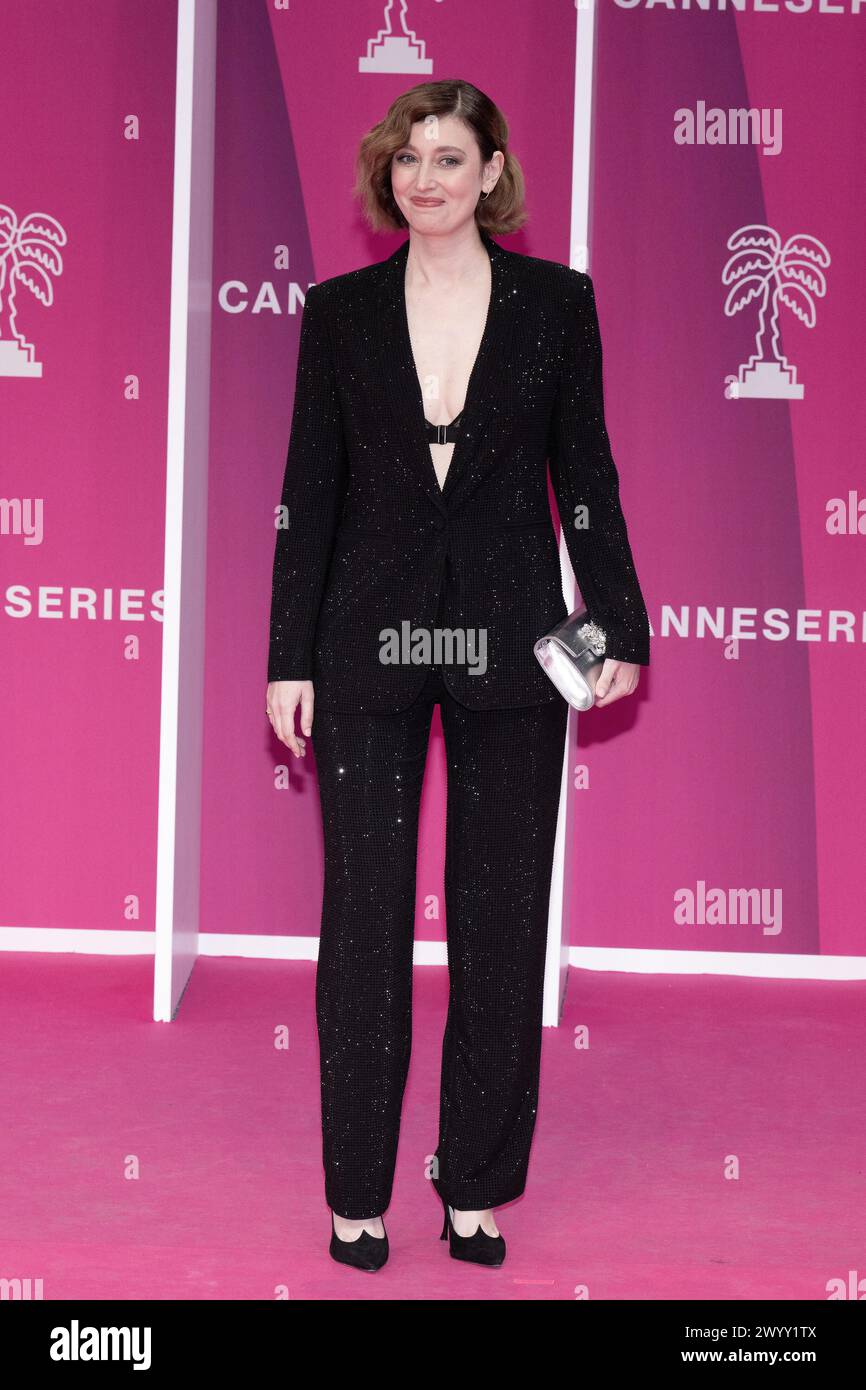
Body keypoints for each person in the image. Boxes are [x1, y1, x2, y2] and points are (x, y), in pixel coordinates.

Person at [266, 79, 650, 1272]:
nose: (423, 179)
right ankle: (354, 1194)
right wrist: (285, 659)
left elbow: (584, 472)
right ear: (388, 180)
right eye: (404, 161)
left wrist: (620, 620)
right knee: (364, 930)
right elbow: (307, 499)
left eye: (447, 158)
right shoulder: (336, 314)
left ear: (492, 174)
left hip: (506, 646)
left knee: (497, 923)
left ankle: (474, 1185)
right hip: (366, 645)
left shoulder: (554, 306)